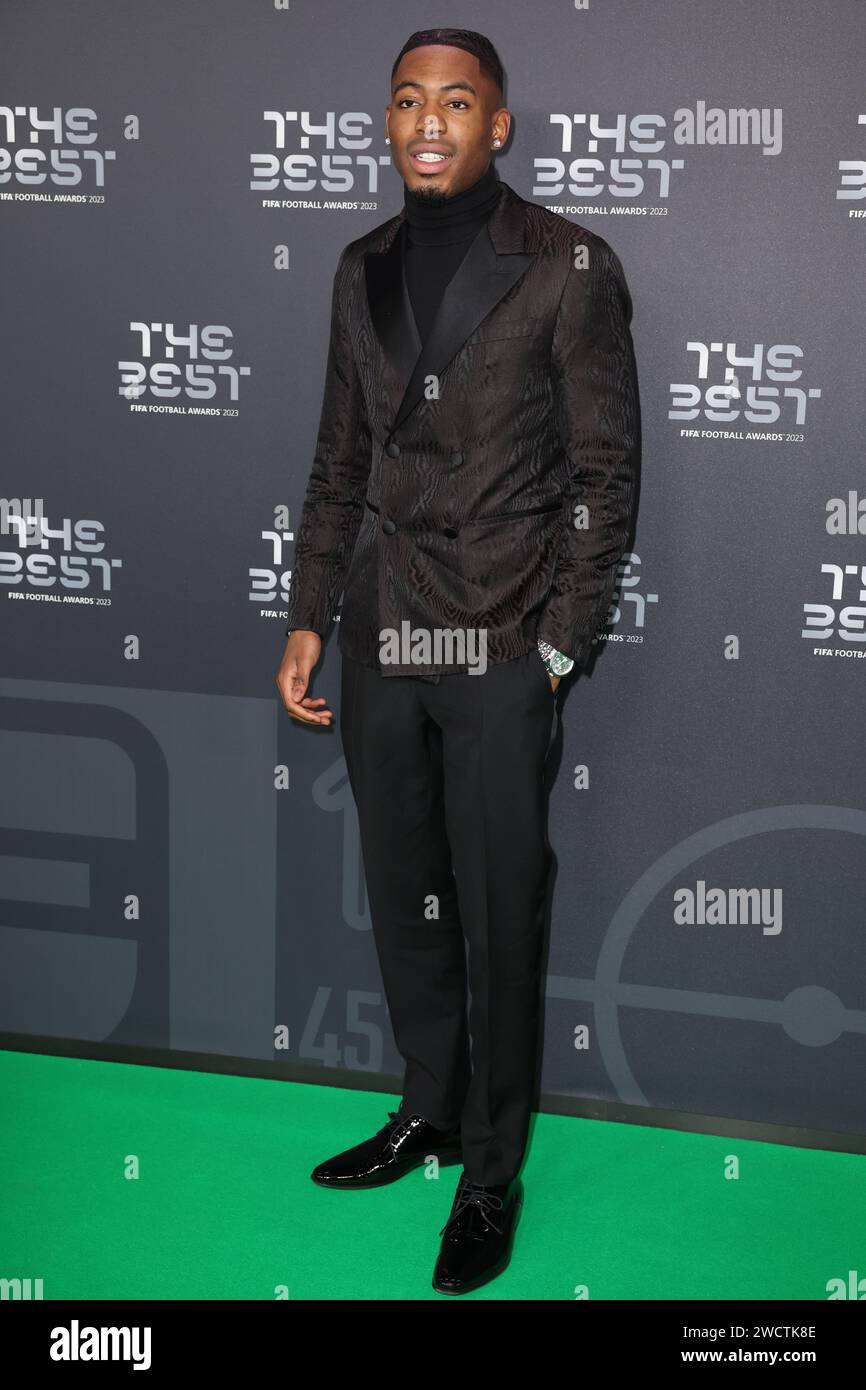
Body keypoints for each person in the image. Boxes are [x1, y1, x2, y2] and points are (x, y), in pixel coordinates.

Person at [276, 26, 641, 1295]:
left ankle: (490, 1175)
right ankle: (426, 1108)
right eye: (406, 100)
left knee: (496, 914)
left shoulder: (567, 267)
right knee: (406, 894)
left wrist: (552, 656)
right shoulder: (356, 266)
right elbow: (338, 457)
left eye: (456, 101)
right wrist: (312, 610)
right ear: (387, 120)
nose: (427, 120)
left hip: (498, 643)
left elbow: (606, 480)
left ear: (499, 123)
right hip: (383, 634)